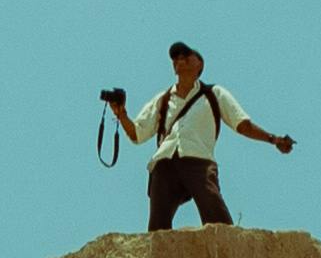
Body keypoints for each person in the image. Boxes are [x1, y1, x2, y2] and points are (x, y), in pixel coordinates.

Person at [104, 44, 292, 229]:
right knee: (157, 228)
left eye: (186, 55)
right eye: (176, 57)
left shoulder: (214, 94)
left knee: (217, 218)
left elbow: (242, 125)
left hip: (198, 161)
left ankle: (227, 253)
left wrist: (273, 139)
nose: (180, 59)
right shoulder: (163, 98)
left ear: (199, 65)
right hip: (164, 162)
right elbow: (137, 134)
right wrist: (121, 114)